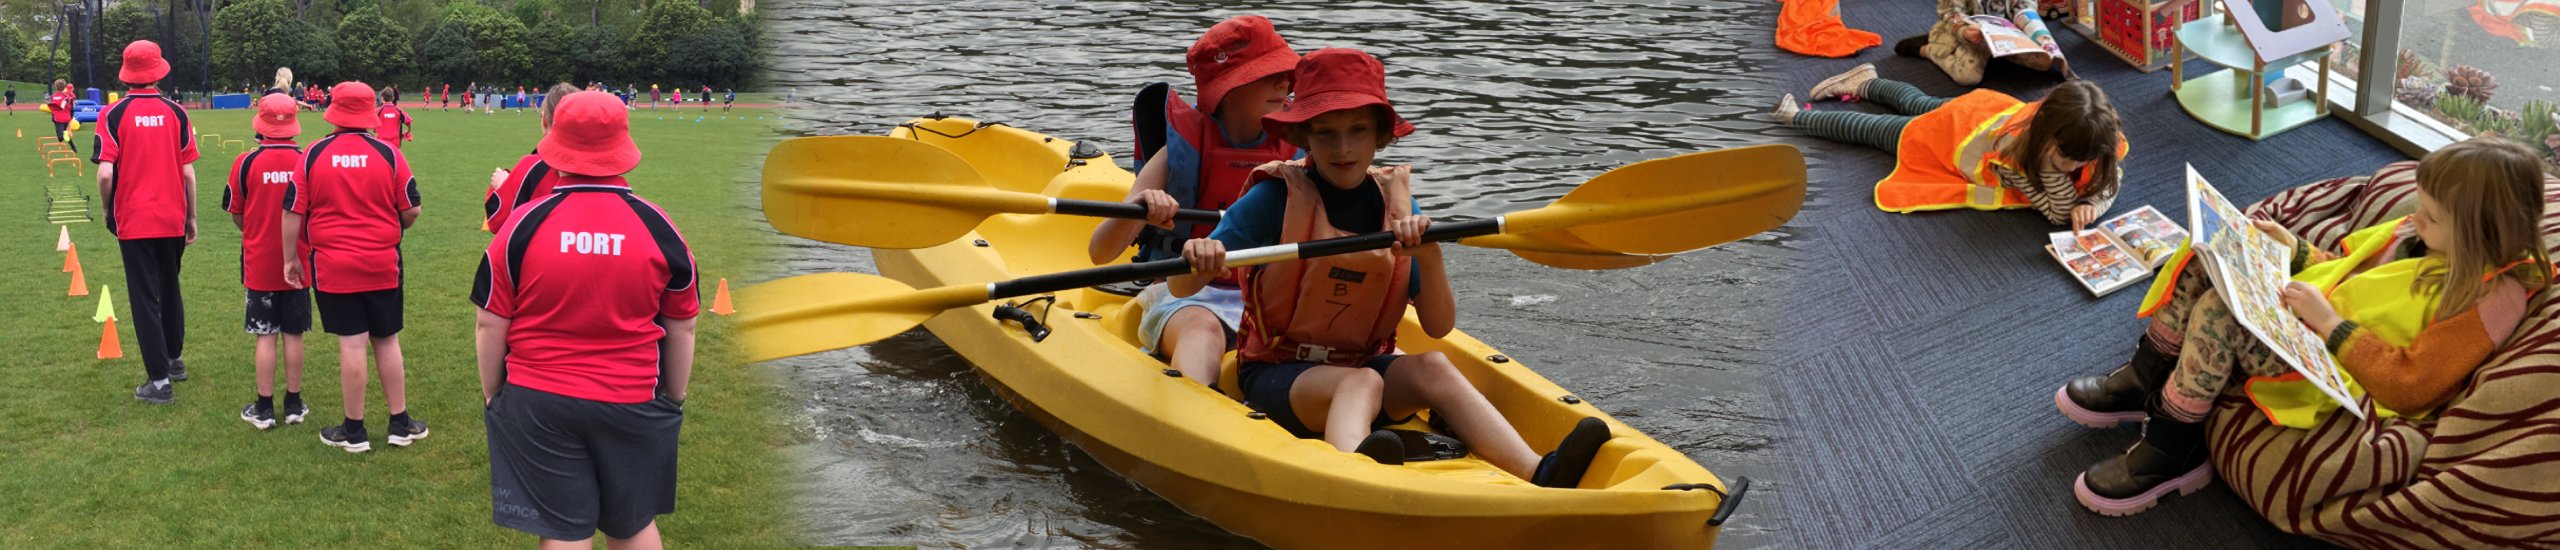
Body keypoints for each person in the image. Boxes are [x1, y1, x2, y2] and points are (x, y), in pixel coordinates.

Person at [1174, 48, 1610, 487]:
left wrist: (1429, 253)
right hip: (1278, 376)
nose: (1342, 148)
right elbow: (1180, 286)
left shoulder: (1398, 206)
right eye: (1326, 134)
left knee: (1433, 365)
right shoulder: (1273, 200)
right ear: (1304, 135)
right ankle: (1353, 479)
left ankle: (1538, 470)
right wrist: (1198, 258)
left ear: (1379, 135)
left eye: (1357, 131)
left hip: (1367, 367)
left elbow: (1438, 325)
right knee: (1358, 383)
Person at [2059, 138, 2551, 516]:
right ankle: (2148, 374)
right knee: (2201, 255)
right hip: (2314, 320)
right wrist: (2293, 250)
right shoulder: (2418, 234)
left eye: (2431, 216)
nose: (2414, 218)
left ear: (2479, 232)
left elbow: (2412, 384)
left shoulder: (2491, 299)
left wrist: (2332, 325)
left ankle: (2173, 446)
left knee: (2217, 314)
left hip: (2339, 372)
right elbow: (2350, 271)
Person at [476, 90, 699, 548]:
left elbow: (490, 323)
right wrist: (673, 396)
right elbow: (683, 324)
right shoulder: (658, 226)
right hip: (633, 397)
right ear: (622, 148)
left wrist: (496, 394)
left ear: (556, 143)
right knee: (633, 524)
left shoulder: (522, 225)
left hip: (539, 399)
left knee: (562, 530)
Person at [1086, 15, 1299, 388]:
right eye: (1268, 75)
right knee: (1202, 328)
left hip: (1270, 297)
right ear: (1226, 89)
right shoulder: (1177, 154)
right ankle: (1196, 405)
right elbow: (1100, 253)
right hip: (1186, 293)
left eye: (1287, 74)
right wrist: (1145, 205)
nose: (1284, 83)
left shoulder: (1299, 153)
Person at [1775, 72, 2126, 231]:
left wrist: (2091, 202)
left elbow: (2113, 177)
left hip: (1981, 111)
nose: (2075, 166)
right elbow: (2058, 213)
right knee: (1874, 130)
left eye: (2086, 160)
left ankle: (1865, 81)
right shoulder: (2017, 155)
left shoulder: (2088, 136)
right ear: (2047, 136)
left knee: (1919, 102)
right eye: (2066, 157)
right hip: (1948, 138)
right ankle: (1796, 119)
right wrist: (2055, 176)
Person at [281, 81, 428, 453]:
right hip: (382, 263)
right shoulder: (389, 154)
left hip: (334, 266)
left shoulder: (313, 154)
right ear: (369, 113)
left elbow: (292, 210)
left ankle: (355, 429)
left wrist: (290, 258)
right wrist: (393, 226)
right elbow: (411, 210)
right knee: (387, 339)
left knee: (352, 343)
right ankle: (400, 422)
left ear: (333, 111)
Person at [95, 41, 199, 404]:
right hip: (172, 215)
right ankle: (174, 360)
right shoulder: (177, 112)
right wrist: (192, 216)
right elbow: (188, 173)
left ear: (127, 74)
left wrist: (108, 210)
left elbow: (106, 174)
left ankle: (157, 382)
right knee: (170, 288)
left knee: (144, 297)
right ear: (158, 71)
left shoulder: (113, 114)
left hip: (135, 218)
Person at [225, 94, 313, 428]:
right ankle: (293, 403)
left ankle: (264, 408)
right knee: (293, 333)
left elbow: (237, 212)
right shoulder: (306, 160)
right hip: (299, 262)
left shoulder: (245, 162)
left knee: (265, 334)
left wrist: (254, 230)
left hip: (259, 260)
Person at [1891, 0, 2072, 86]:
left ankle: (1997, 54)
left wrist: (2033, 28)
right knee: (1968, 77)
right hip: (1968, 31)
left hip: (2004, 32)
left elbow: (2025, 5)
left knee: (2044, 62)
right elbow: (1951, 13)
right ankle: (1929, 49)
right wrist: (1963, 32)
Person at [484, 84, 580, 233]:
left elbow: (497, 222)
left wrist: (503, 186)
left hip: (540, 251)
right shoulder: (605, 170)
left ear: (544, 120)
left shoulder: (532, 166)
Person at [48, 79, 76, 151]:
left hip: (57, 118)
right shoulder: (67, 96)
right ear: (64, 87)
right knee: (64, 133)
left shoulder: (52, 96)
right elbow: (69, 107)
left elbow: (52, 106)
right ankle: (73, 147)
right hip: (66, 118)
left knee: (60, 138)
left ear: (55, 87)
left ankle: (70, 142)